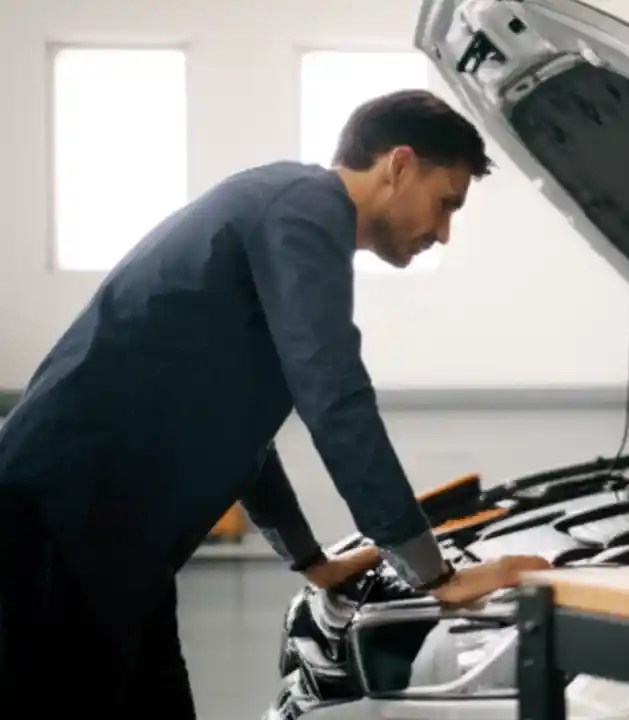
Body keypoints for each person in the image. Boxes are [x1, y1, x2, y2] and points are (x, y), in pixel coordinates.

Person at [0, 88, 552, 715]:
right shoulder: (303, 209)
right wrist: (436, 576)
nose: (445, 233)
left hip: (115, 542)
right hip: (56, 526)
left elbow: (244, 430)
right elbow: (335, 396)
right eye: (446, 202)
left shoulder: (285, 214)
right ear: (400, 165)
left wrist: (311, 560)